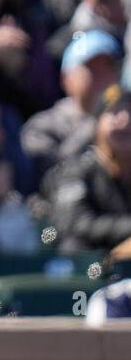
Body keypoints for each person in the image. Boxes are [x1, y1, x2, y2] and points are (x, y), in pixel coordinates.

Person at [42, 85, 131, 255]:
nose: (125, 120)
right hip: (86, 271)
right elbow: (74, 223)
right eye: (115, 112)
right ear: (96, 124)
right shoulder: (74, 170)